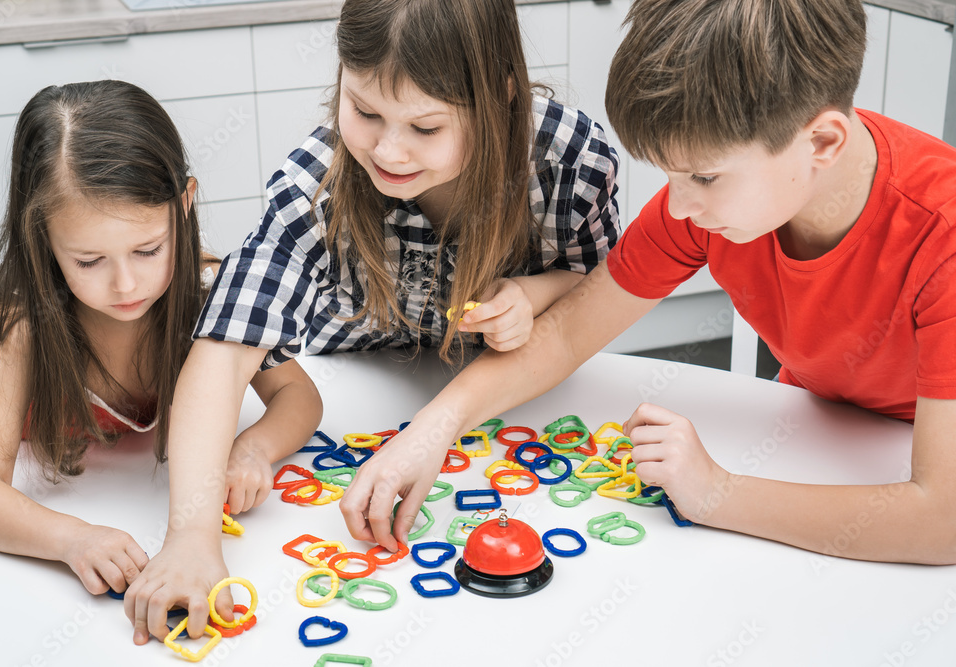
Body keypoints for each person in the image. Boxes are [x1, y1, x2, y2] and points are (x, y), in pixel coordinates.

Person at [342, 0, 956, 566]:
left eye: (704, 178)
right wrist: (434, 428)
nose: (678, 207)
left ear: (821, 142)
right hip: (824, 435)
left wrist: (717, 493)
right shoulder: (719, 198)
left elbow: (943, 523)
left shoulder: (943, 236)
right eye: (670, 175)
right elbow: (567, 334)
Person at [124, 0, 621, 644]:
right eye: (363, 111)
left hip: (518, 391)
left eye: (426, 127)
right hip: (354, 377)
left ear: (500, 99)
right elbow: (223, 351)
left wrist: (532, 293)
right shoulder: (316, 182)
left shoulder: (572, 161)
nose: (388, 151)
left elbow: (606, 288)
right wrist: (190, 537)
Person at [0, 80, 321, 598]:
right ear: (41, 234)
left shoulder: (210, 293)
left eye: (148, 250)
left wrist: (253, 448)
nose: (126, 285)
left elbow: (298, 395)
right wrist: (73, 539)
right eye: (89, 261)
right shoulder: (18, 335)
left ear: (185, 202)